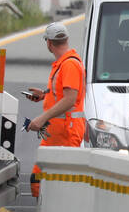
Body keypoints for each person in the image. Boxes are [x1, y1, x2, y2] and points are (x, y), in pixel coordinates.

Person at [24, 21, 86, 199]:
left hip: (67, 132)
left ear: (49, 43)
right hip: (56, 133)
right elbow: (62, 93)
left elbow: (70, 99)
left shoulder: (69, 65)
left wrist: (41, 118)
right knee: (40, 180)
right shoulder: (64, 64)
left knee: (59, 184)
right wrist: (44, 95)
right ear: (65, 39)